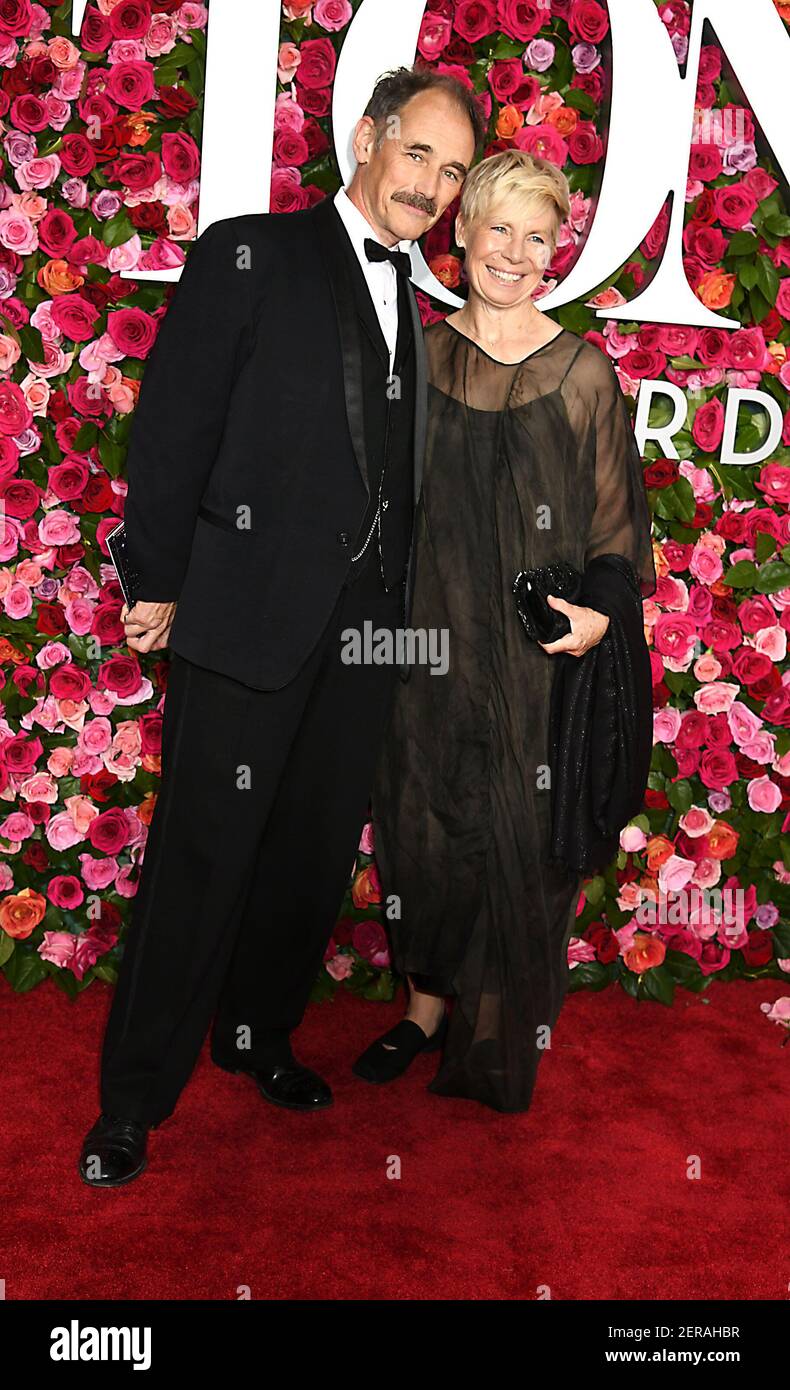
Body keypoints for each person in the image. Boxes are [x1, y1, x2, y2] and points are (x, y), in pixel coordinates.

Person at [78, 65, 485, 1186]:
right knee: (202, 859)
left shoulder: (420, 298)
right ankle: (132, 1103)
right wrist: (153, 576)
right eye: (418, 157)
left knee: (305, 855)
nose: (431, 189)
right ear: (365, 139)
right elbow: (173, 423)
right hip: (248, 613)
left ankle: (255, 1034)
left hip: (364, 642)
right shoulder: (251, 254)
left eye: (451, 174)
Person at [353, 149, 657, 1112]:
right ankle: (423, 1011)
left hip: (535, 662)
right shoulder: (419, 350)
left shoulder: (582, 374)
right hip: (423, 652)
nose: (515, 255)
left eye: (537, 238)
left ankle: (490, 1026)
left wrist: (599, 611)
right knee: (422, 828)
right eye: (499, 230)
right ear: (464, 232)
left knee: (519, 838)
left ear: (553, 253)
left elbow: (616, 525)